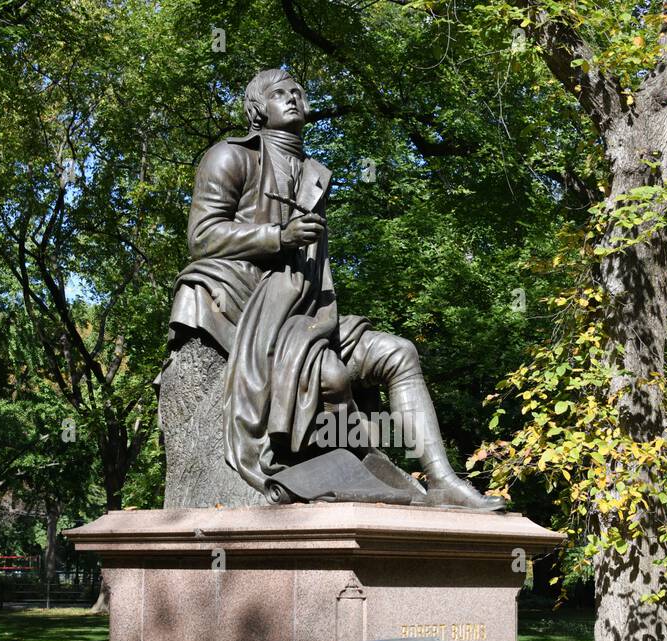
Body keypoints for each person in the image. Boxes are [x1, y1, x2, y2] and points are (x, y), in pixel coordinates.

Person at [166, 68, 502, 511]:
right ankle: (318, 463)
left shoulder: (314, 174)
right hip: (249, 309)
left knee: (400, 352)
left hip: (309, 315)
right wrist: (277, 236)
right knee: (331, 376)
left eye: (298, 92)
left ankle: (441, 479)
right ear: (256, 110)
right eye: (278, 93)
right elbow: (202, 237)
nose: (291, 98)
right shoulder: (230, 157)